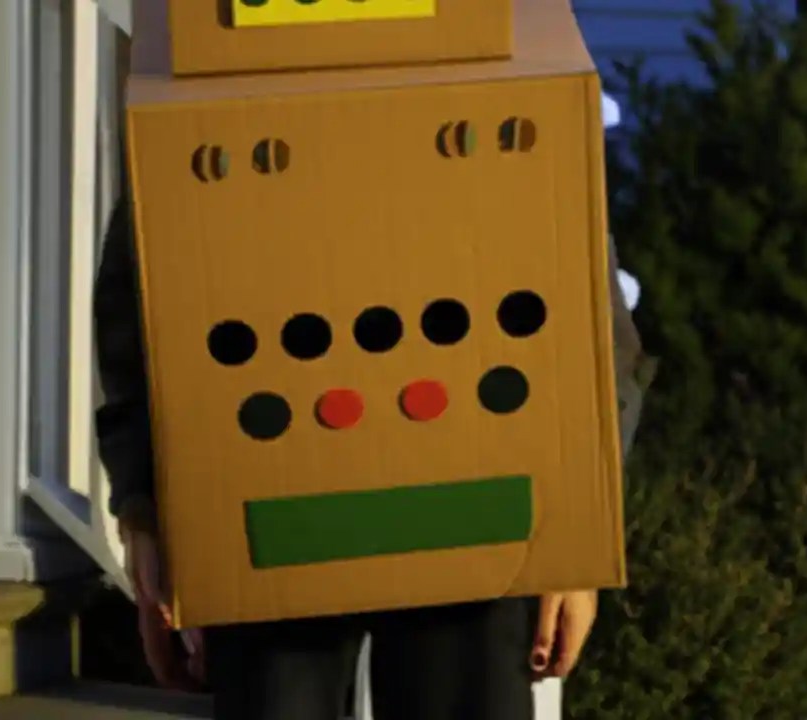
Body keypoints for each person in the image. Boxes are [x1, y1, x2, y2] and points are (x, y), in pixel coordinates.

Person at [94, 117, 650, 720]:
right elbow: (147, 290)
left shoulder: (496, 61)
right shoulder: (214, 65)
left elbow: (584, 315)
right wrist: (143, 508)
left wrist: (579, 536)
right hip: (275, 503)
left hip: (468, 504)